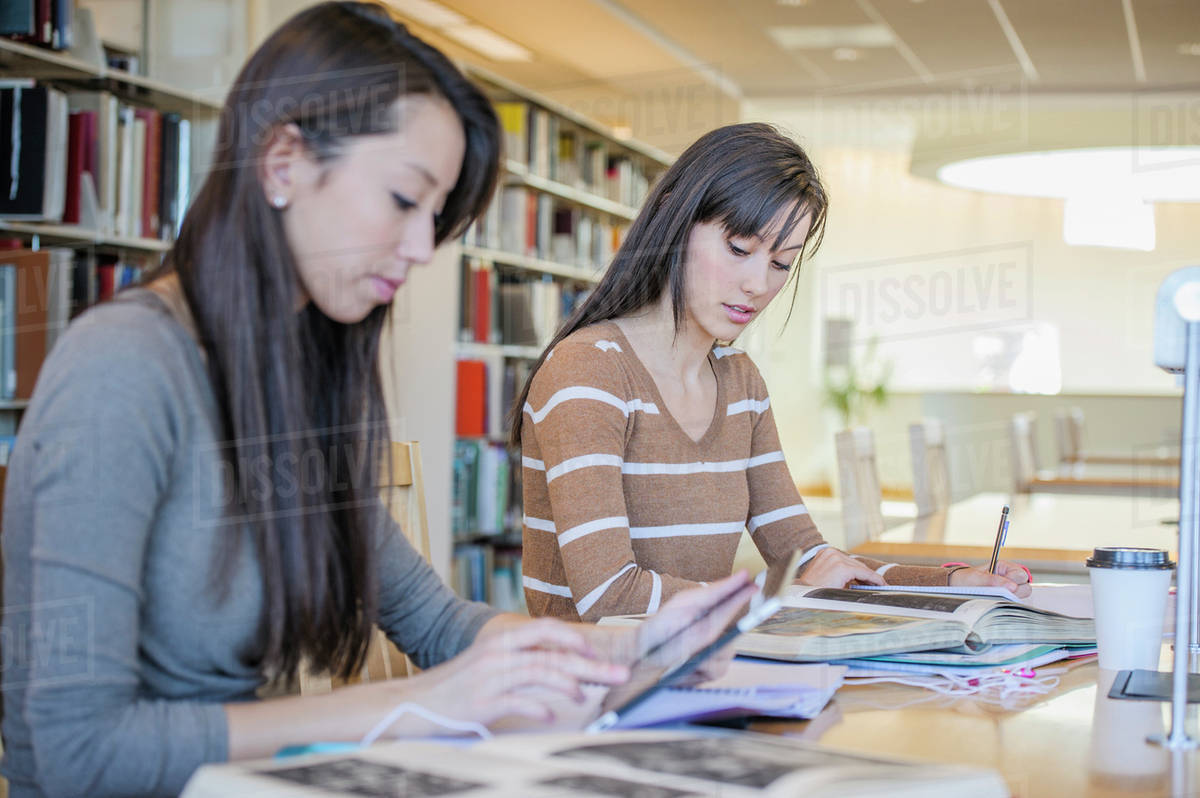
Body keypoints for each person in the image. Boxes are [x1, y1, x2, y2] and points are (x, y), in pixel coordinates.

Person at [0, 4, 755, 796]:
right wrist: (418, 703)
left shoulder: (301, 375)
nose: (424, 248)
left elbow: (432, 622)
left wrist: (630, 650)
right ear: (283, 162)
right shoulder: (123, 367)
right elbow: (73, 753)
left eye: (436, 216)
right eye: (404, 200)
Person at [513, 123, 1032, 622]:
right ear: (676, 220)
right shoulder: (589, 371)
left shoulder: (739, 382)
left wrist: (951, 585)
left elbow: (809, 559)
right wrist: (779, 595)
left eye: (781, 263)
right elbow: (608, 597)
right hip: (591, 689)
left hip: (699, 673)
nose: (758, 284)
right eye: (740, 249)